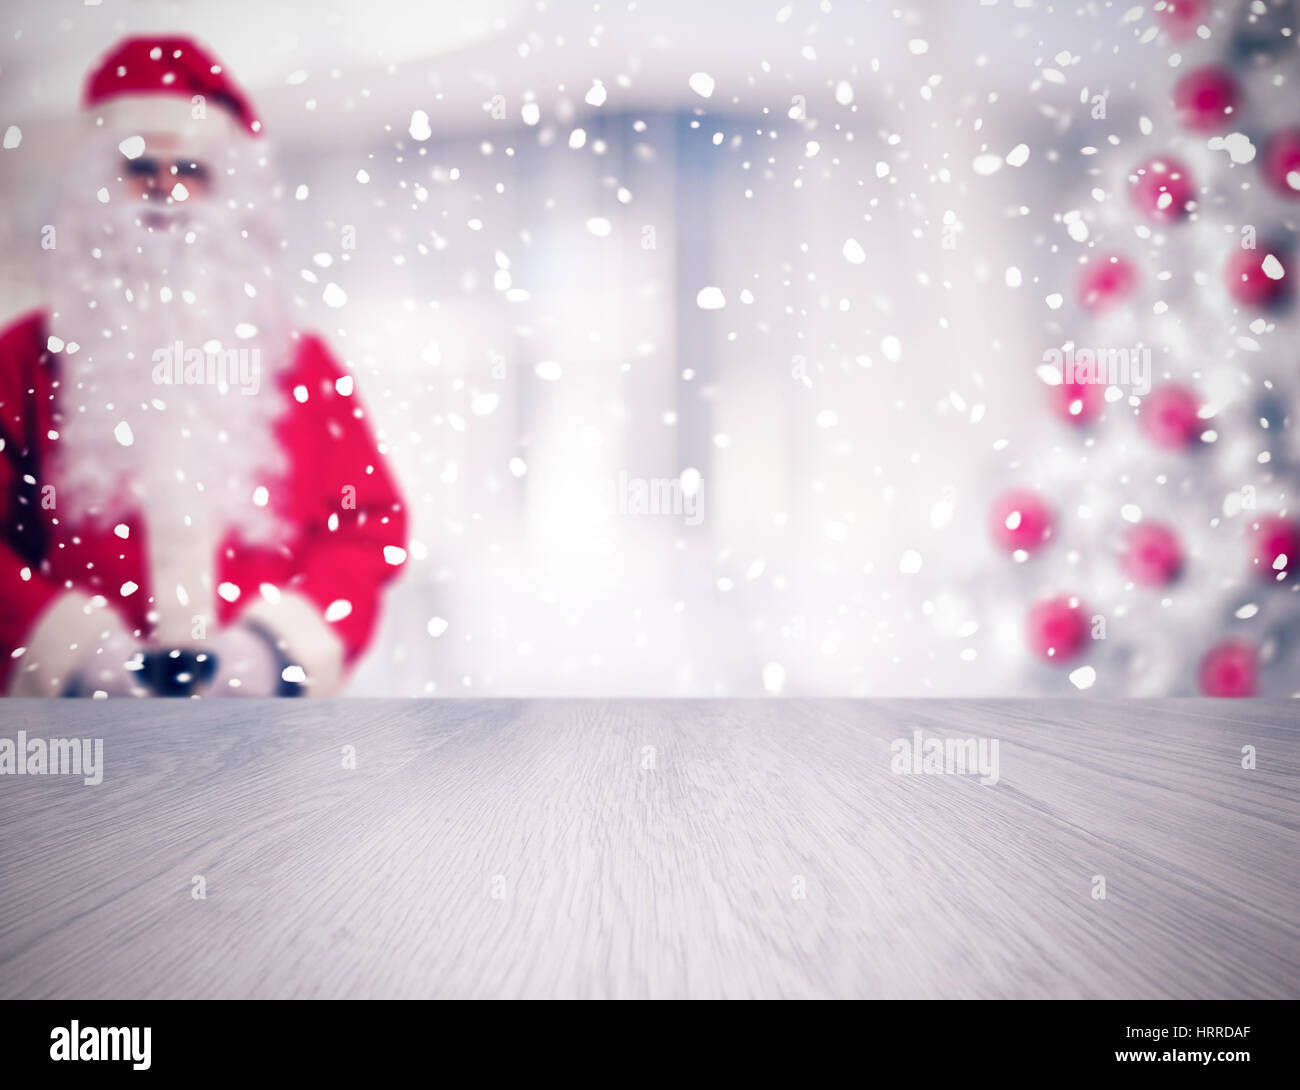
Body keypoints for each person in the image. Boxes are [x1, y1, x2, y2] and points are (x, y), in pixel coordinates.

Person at [0, 36, 407, 697]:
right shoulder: (23, 360)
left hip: (266, 745)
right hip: (74, 743)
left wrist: (275, 651)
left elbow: (368, 526)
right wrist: (71, 649)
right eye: (138, 168)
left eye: (191, 170)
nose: (165, 192)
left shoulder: (300, 364)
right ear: (97, 189)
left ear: (229, 196)